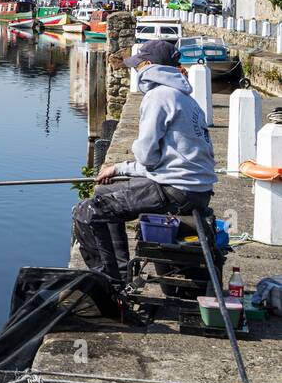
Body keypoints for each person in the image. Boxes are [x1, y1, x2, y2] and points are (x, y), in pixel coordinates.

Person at [71, 39, 216, 285]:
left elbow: (148, 157)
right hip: (198, 191)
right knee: (104, 192)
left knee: (87, 211)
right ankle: (122, 274)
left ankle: (108, 282)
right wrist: (119, 168)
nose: (135, 71)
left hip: (176, 190)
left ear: (149, 65)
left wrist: (127, 163)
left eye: (138, 65)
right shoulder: (187, 99)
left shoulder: (158, 97)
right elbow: (166, 160)